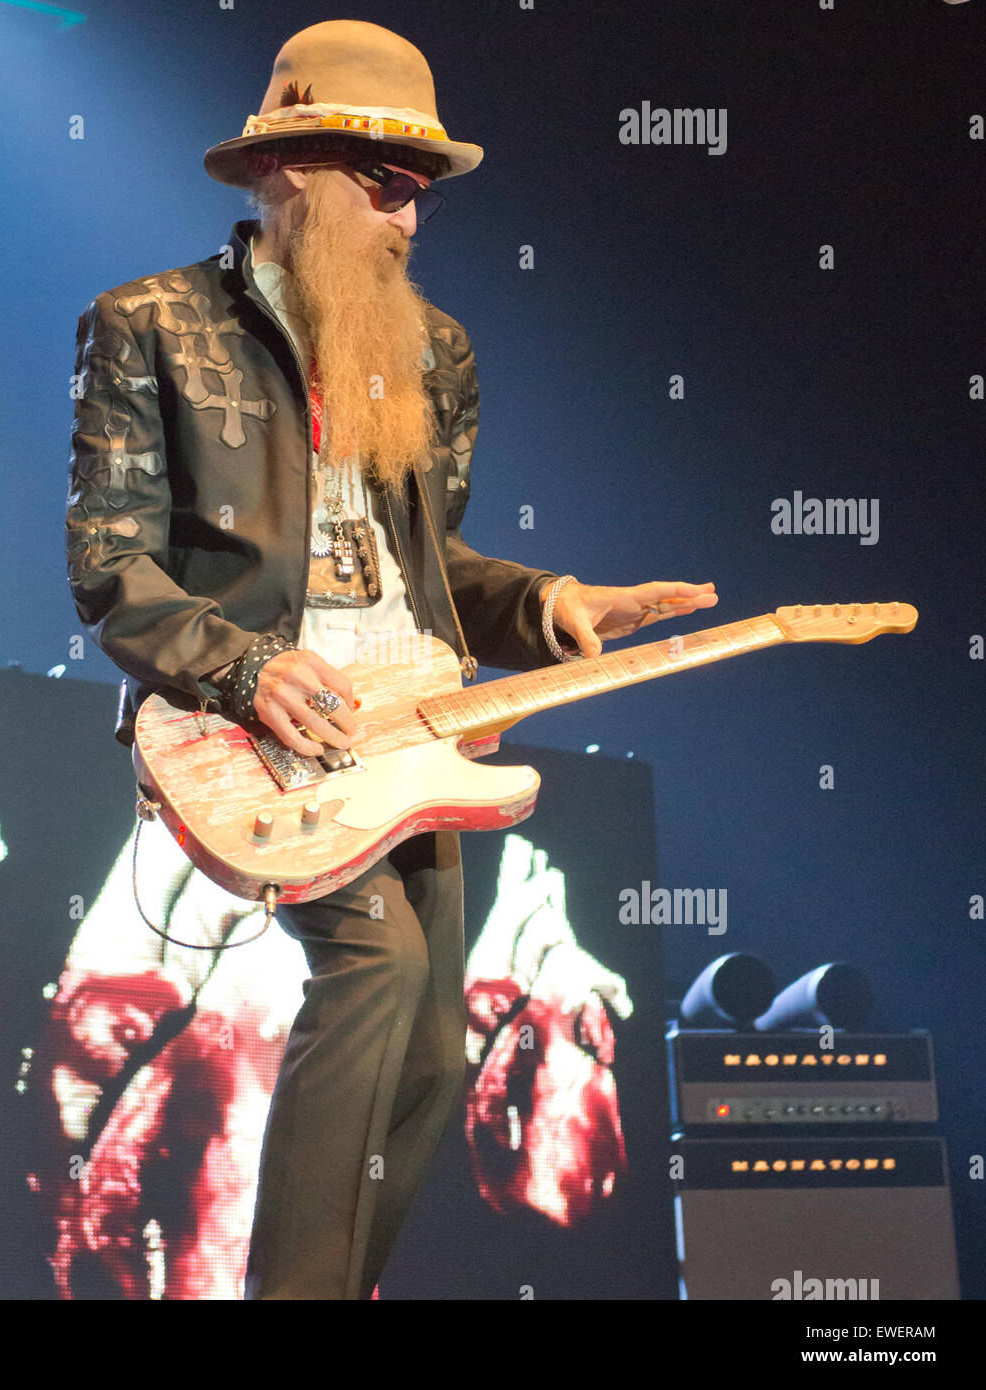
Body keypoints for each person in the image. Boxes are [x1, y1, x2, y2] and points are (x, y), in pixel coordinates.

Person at [65, 19, 717, 1300]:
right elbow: (111, 566)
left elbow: (431, 572)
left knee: (429, 1046)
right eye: (385, 188)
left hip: (408, 731)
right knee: (382, 966)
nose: (409, 222)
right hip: (264, 724)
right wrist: (244, 669)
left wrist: (553, 600)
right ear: (290, 170)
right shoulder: (147, 324)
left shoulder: (436, 352)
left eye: (420, 194)